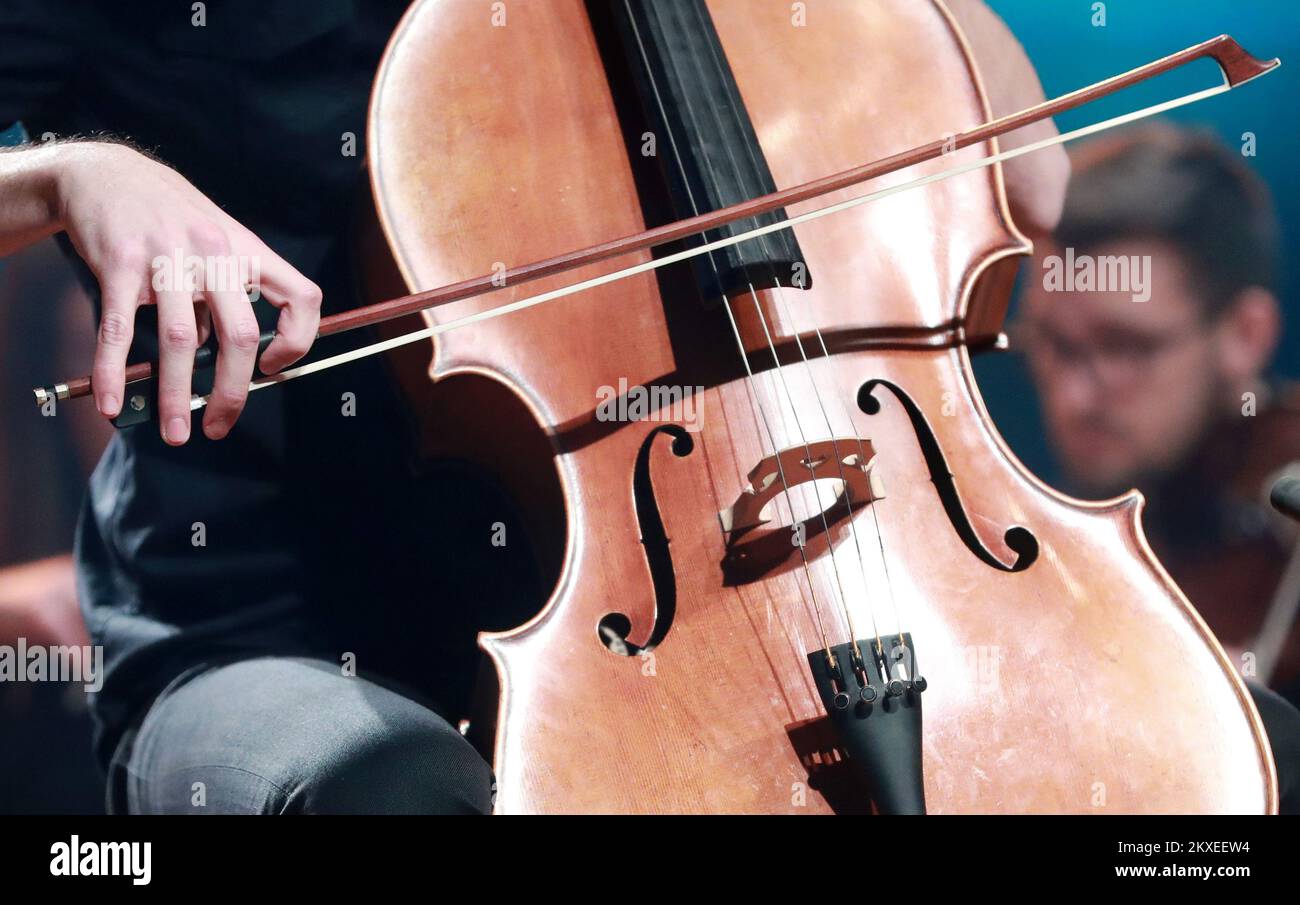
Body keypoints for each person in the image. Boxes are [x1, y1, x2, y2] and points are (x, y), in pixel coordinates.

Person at [0, 0, 1067, 813]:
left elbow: (1038, 183)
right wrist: (69, 176)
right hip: (278, 631)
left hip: (754, 585)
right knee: (390, 784)